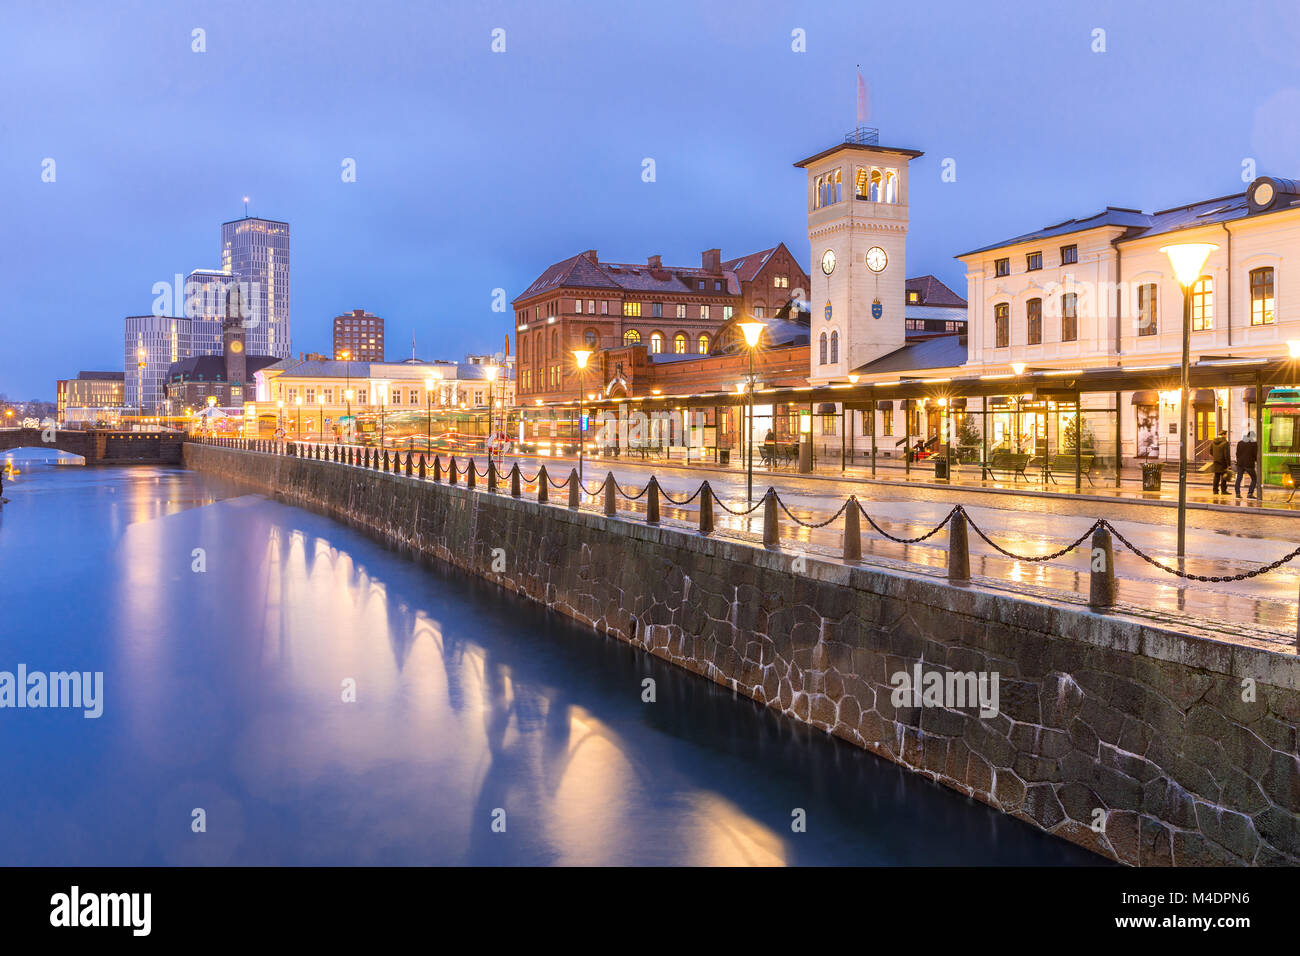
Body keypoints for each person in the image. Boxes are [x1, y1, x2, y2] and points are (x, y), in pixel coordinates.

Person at [1235, 429, 1259, 500]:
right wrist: (1255, 460)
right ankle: (1250, 493)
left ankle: (1237, 494)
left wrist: (1239, 460)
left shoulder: (1240, 443)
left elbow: (1237, 453)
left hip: (1240, 464)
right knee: (1254, 478)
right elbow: (1255, 455)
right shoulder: (1254, 443)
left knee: (1239, 478)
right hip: (1249, 464)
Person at [1210, 429, 1231, 495]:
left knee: (1216, 476)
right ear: (1223, 435)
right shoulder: (1225, 443)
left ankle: (1215, 490)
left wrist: (1216, 457)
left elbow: (1210, 451)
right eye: (1226, 434)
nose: (1227, 436)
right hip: (1223, 462)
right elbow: (1226, 454)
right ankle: (1223, 490)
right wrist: (1229, 464)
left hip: (1216, 461)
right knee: (1224, 477)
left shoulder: (1213, 441)